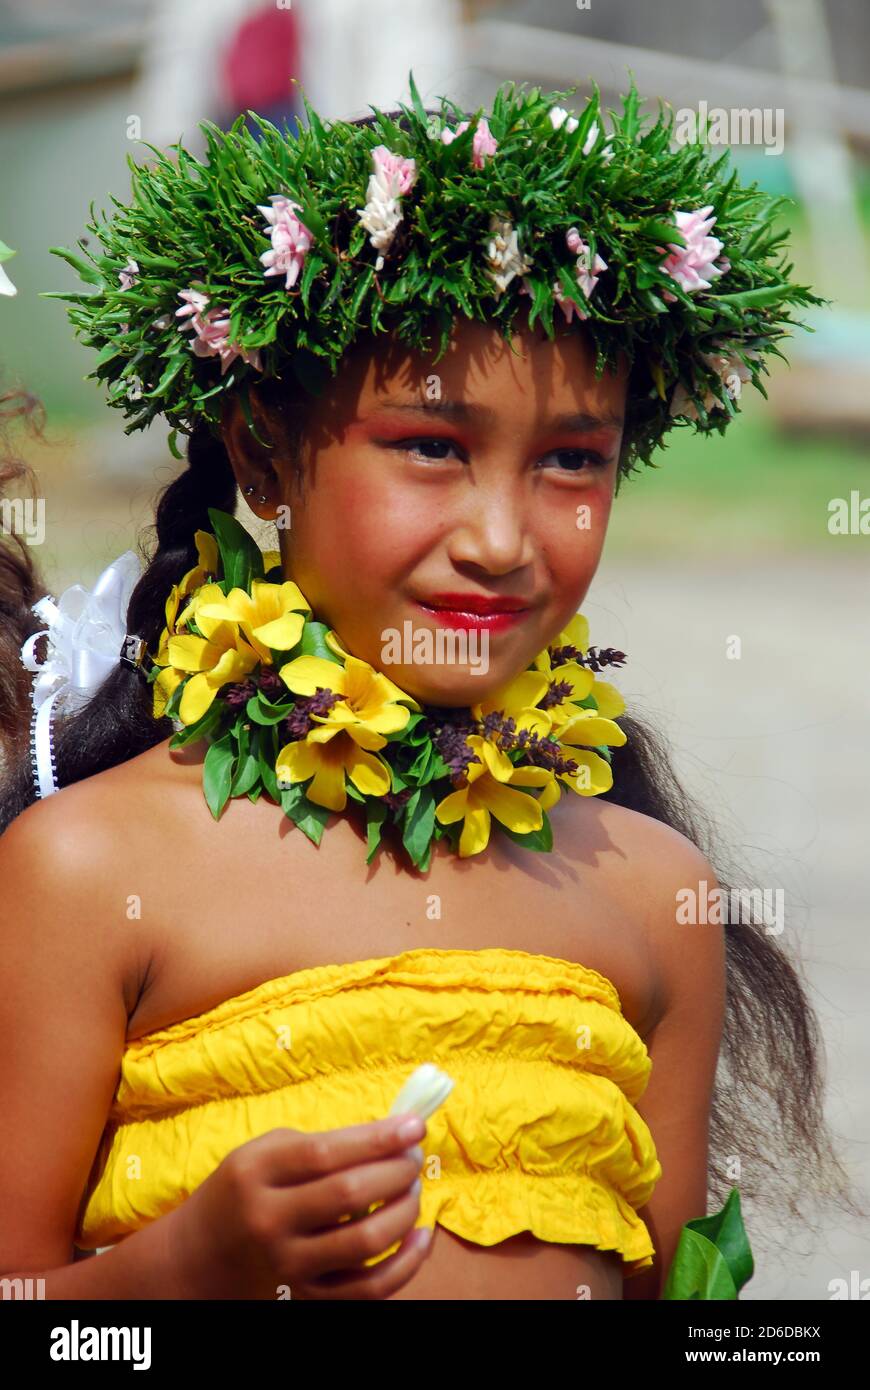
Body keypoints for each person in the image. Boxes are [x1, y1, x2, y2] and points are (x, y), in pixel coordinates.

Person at [0, 79, 862, 1301]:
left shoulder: (656, 890)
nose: (503, 538)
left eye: (574, 458)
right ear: (261, 450)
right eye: (432, 447)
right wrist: (181, 1272)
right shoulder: (87, 867)